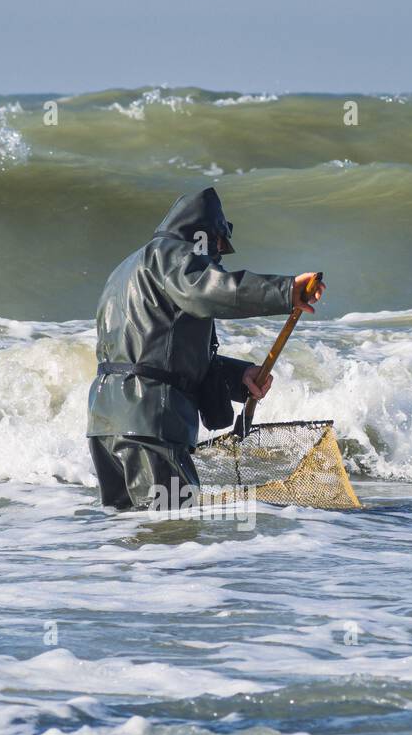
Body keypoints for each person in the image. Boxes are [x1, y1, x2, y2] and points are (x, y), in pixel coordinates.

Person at [86, 186, 324, 510]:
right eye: (219, 244)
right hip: (151, 420)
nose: (218, 255)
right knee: (172, 527)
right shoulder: (173, 255)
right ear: (204, 235)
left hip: (104, 423)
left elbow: (151, 354)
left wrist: (239, 377)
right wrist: (285, 290)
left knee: (129, 531)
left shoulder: (126, 269)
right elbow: (210, 291)